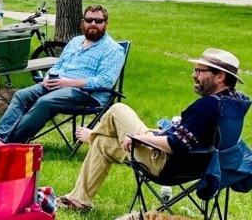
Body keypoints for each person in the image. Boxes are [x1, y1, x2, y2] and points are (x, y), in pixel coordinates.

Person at [59, 49, 248, 211]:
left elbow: (175, 145)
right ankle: (79, 198)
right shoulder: (234, 102)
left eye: (199, 71)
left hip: (166, 164)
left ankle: (91, 137)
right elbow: (196, 135)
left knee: (118, 109)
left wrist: (139, 138)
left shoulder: (207, 106)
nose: (194, 75)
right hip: (199, 164)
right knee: (102, 143)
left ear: (220, 76)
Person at [0, 5, 125, 145]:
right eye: (89, 20)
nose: (93, 24)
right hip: (57, 85)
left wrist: (67, 82)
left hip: (87, 94)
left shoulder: (113, 49)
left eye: (98, 21)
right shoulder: (75, 41)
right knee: (21, 95)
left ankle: (10, 144)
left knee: (44, 102)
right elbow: (58, 65)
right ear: (82, 22)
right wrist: (48, 76)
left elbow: (105, 81)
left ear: (106, 24)